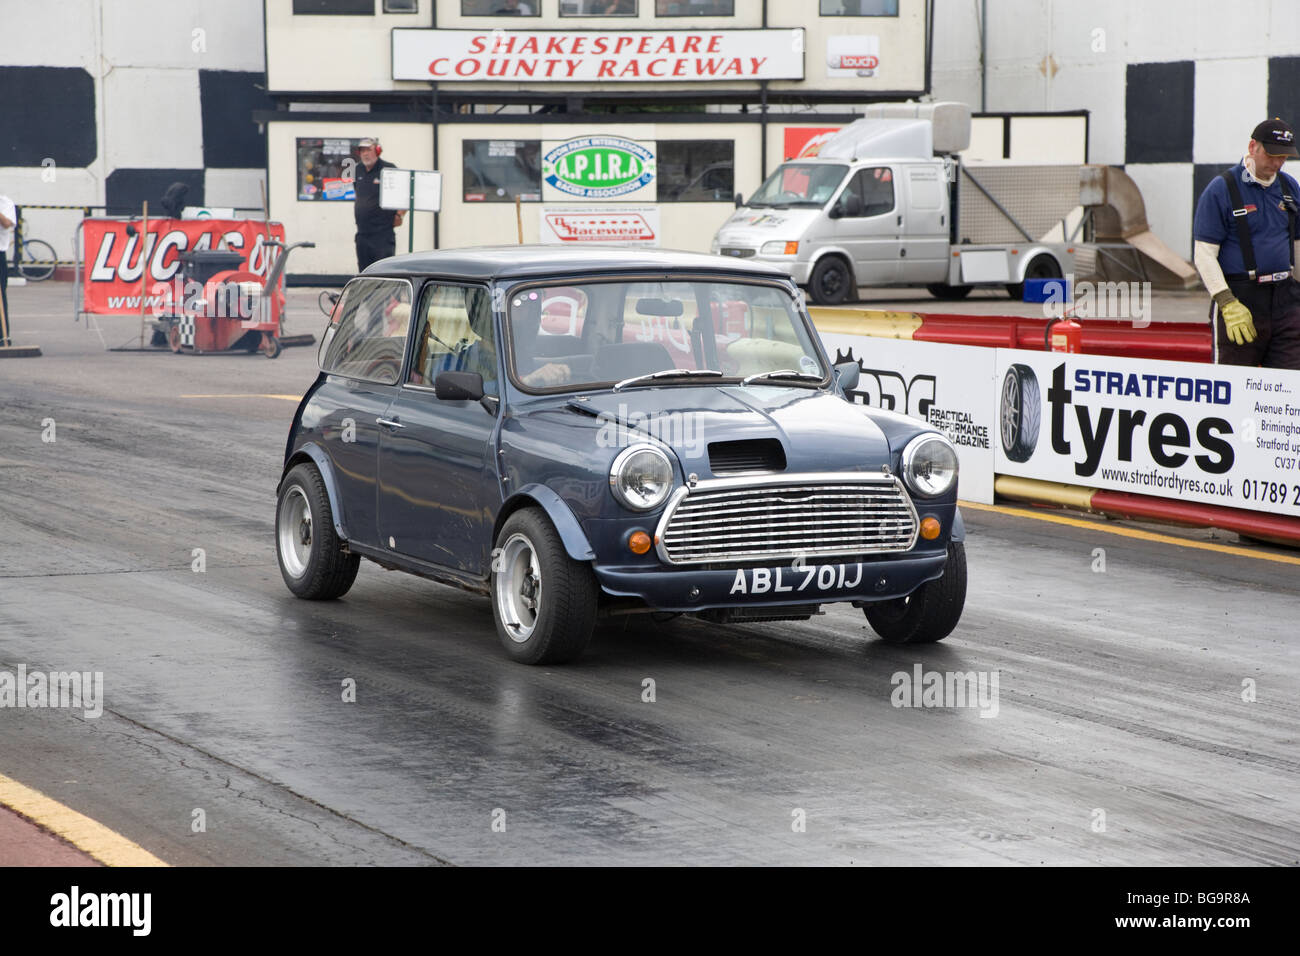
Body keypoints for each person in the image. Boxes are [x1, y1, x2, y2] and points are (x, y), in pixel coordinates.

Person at [1192, 117, 1300, 369]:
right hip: (1240, 298)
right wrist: (1227, 303)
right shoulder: (1222, 189)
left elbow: (1297, 244)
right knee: (1233, 388)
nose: (1276, 163)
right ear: (1253, 147)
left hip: (1286, 299)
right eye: (1271, 155)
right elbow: (1204, 254)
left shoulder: (1289, 187)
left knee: (1291, 389)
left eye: (1283, 157)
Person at [353, 137, 405, 272]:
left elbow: (405, 194)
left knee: (383, 273)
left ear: (377, 150)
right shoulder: (357, 170)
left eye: (368, 150)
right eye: (362, 151)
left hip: (382, 235)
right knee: (365, 274)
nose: (365, 154)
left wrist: (400, 214)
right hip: (362, 234)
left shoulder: (389, 170)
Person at [0, 194, 14, 345]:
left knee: (0, 296)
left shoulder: (5, 203)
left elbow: (6, 223)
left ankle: (3, 336)